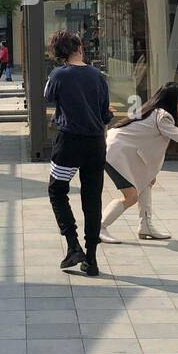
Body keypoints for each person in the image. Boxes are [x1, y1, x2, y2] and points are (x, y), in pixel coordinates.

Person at [99, 83, 178, 242]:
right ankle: (99, 227)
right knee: (131, 196)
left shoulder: (152, 111)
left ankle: (146, 226)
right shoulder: (163, 117)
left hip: (117, 151)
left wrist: (148, 171)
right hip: (115, 155)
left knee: (146, 182)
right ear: (175, 101)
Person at [44, 30, 112, 276]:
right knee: (92, 198)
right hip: (95, 143)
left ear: (58, 53)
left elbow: (48, 96)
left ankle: (73, 245)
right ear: (79, 48)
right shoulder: (98, 76)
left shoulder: (58, 74)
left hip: (69, 142)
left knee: (57, 190)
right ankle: (91, 259)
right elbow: (106, 114)